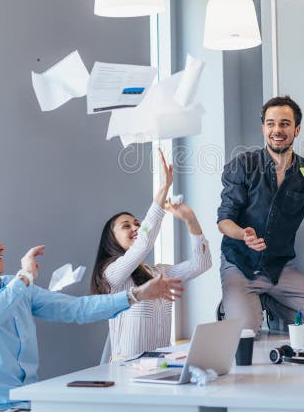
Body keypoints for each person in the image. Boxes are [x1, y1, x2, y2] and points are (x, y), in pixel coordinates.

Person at [0, 220, 182, 412]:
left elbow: (76, 309)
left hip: (34, 403)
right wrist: (24, 277)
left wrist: (136, 295)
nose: (0, 245)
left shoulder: (15, 287)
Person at [217, 95, 304, 334]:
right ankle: (248, 306)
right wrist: (243, 235)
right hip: (240, 264)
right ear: (263, 128)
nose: (277, 130)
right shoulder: (243, 165)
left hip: (280, 268)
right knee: (246, 333)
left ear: (297, 129)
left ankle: (269, 301)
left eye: (285, 124)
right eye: (271, 123)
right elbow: (224, 221)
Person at [90, 149, 212, 360]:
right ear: (112, 239)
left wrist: (191, 220)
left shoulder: (158, 272)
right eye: (126, 226)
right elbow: (143, 244)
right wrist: (163, 188)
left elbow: (202, 263)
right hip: (125, 372)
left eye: (137, 223)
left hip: (158, 369)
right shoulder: (112, 274)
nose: (136, 228)